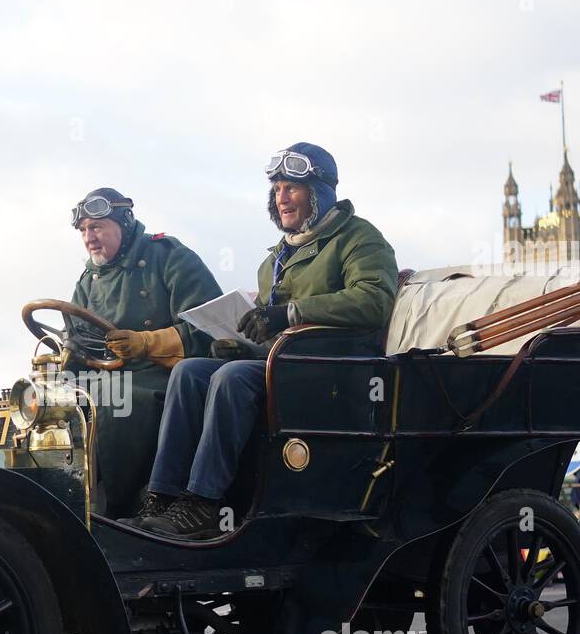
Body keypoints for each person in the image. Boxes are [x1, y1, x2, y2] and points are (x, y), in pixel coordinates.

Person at [132, 143, 398, 538]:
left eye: (293, 187)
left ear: (320, 191)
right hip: (286, 364)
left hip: (337, 374)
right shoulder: (272, 262)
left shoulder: (359, 238)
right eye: (277, 190)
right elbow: (276, 340)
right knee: (190, 371)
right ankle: (163, 497)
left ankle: (203, 504)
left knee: (232, 377)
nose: (282, 197)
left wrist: (292, 312)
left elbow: (373, 301)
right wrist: (243, 345)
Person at [69, 187, 222, 517]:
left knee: (112, 400)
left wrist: (145, 342)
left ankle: (125, 512)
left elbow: (211, 331)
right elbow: (76, 343)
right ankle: (64, 506)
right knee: (53, 405)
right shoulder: (87, 281)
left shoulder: (169, 256)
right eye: (83, 230)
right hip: (103, 375)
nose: (88, 238)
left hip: (170, 377)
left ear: (124, 222)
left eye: (96, 227)